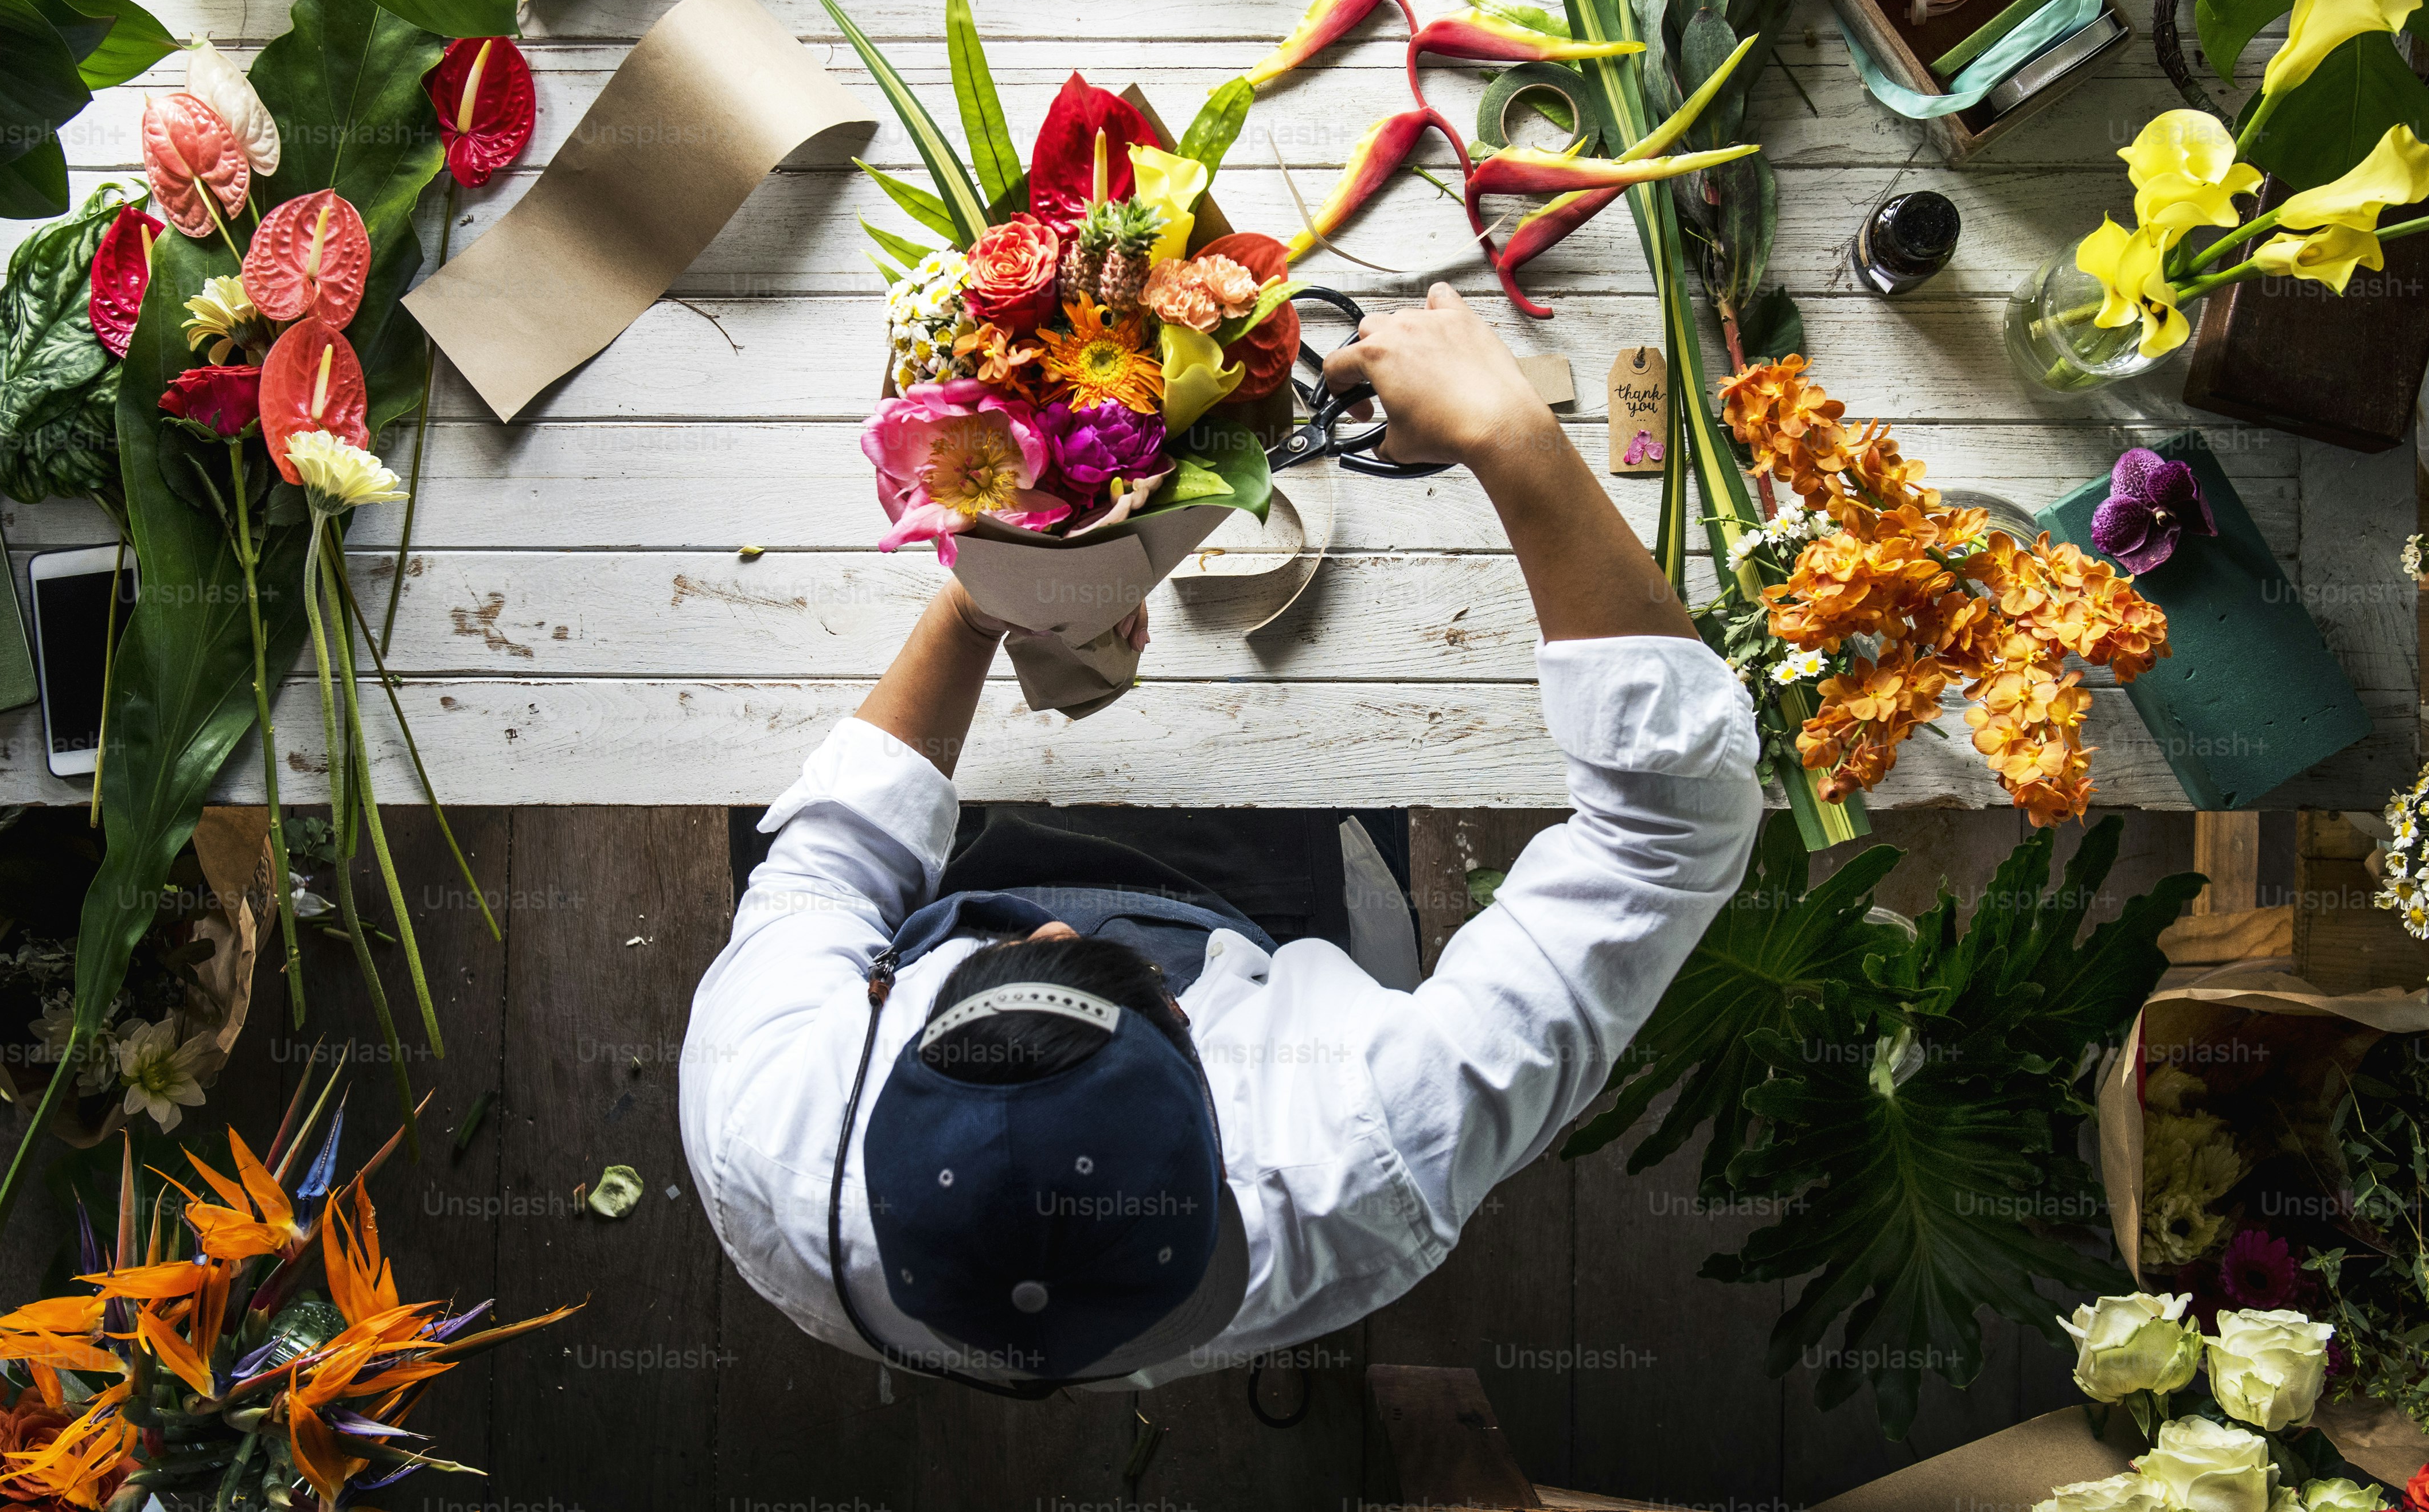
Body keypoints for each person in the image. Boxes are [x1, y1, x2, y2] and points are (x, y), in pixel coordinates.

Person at [680, 283, 1764, 1392]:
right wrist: (1510, 434)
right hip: (1238, 919)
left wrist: (979, 610)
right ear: (1207, 1111)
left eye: (1005, 964)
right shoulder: (1364, 1147)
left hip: (942, 890)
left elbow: (835, 853)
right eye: (1143, 998)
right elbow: (1666, 831)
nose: (1056, 927)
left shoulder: (761, 1123)